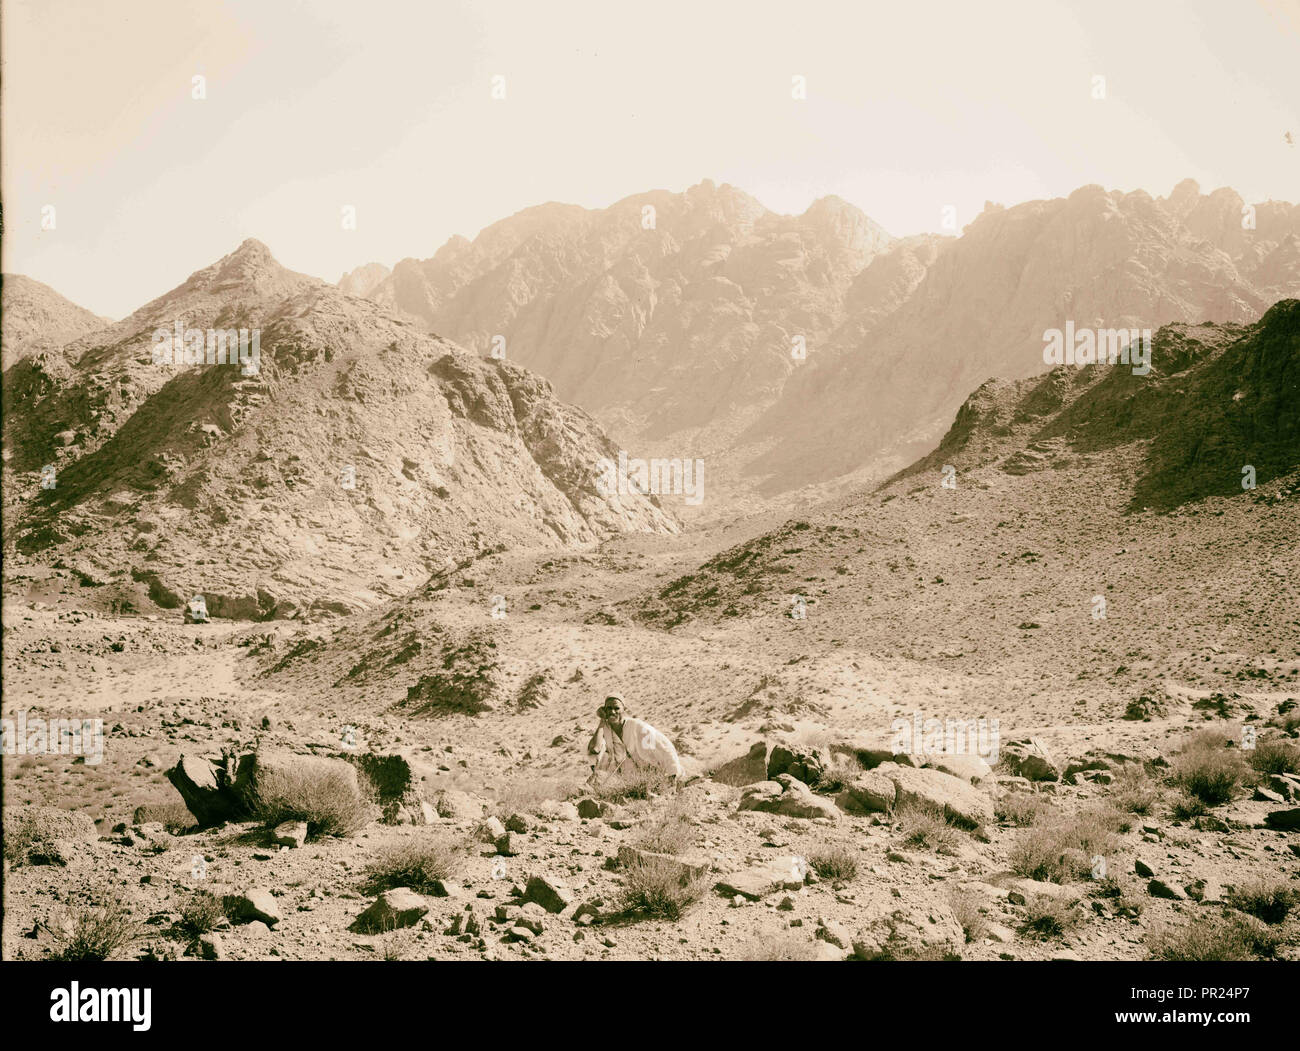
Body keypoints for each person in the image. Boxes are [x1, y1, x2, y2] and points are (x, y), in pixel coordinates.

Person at [587, 694, 683, 786]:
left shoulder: (637, 726)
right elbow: (594, 749)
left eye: (616, 708)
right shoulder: (605, 729)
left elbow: (664, 747)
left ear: (624, 710)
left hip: (652, 775)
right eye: (609, 708)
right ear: (604, 711)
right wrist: (602, 721)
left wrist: (672, 774)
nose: (612, 712)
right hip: (626, 780)